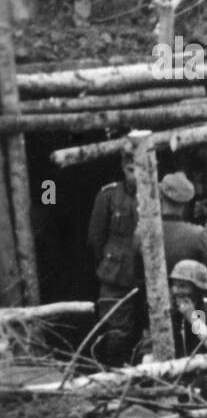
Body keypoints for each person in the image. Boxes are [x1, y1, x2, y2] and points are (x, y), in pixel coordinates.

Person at [87, 149, 143, 366]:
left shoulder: (157, 194)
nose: (135, 176)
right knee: (117, 332)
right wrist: (109, 264)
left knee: (147, 328)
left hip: (148, 275)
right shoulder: (108, 195)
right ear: (123, 168)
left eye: (140, 170)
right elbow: (95, 238)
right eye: (131, 170)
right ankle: (113, 377)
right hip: (115, 276)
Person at [159, 171, 207, 292]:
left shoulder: (142, 233)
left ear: (160, 196)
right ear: (186, 203)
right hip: (193, 308)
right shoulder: (197, 235)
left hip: (151, 308)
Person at [168, 260, 207, 357]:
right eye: (174, 285)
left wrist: (193, 318)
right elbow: (146, 354)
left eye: (182, 286)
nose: (175, 291)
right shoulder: (168, 313)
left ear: (198, 290)